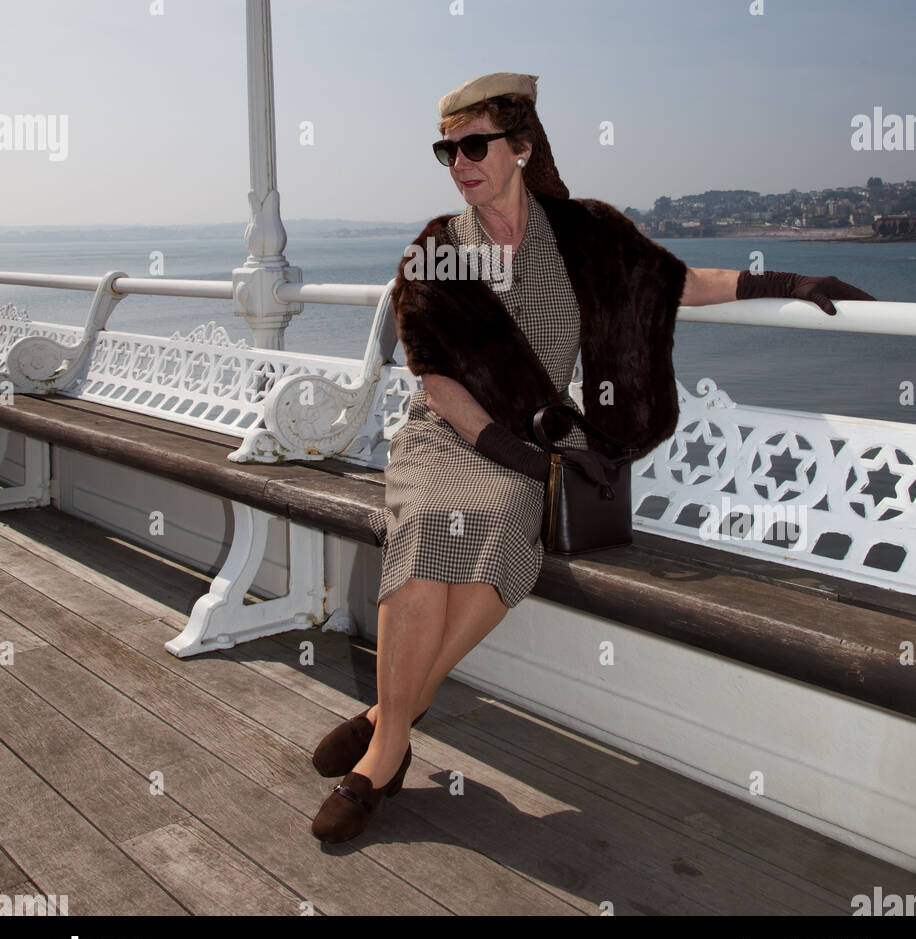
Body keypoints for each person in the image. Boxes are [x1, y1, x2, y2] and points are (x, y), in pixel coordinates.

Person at [310, 72, 875, 843]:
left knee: (506, 522)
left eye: (476, 145)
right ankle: (388, 749)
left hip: (537, 441)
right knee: (429, 535)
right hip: (448, 435)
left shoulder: (584, 234)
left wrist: (786, 279)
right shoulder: (438, 249)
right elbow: (434, 374)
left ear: (522, 148)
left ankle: (388, 719)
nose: (460, 162)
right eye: (448, 149)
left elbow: (672, 283)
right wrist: (497, 444)